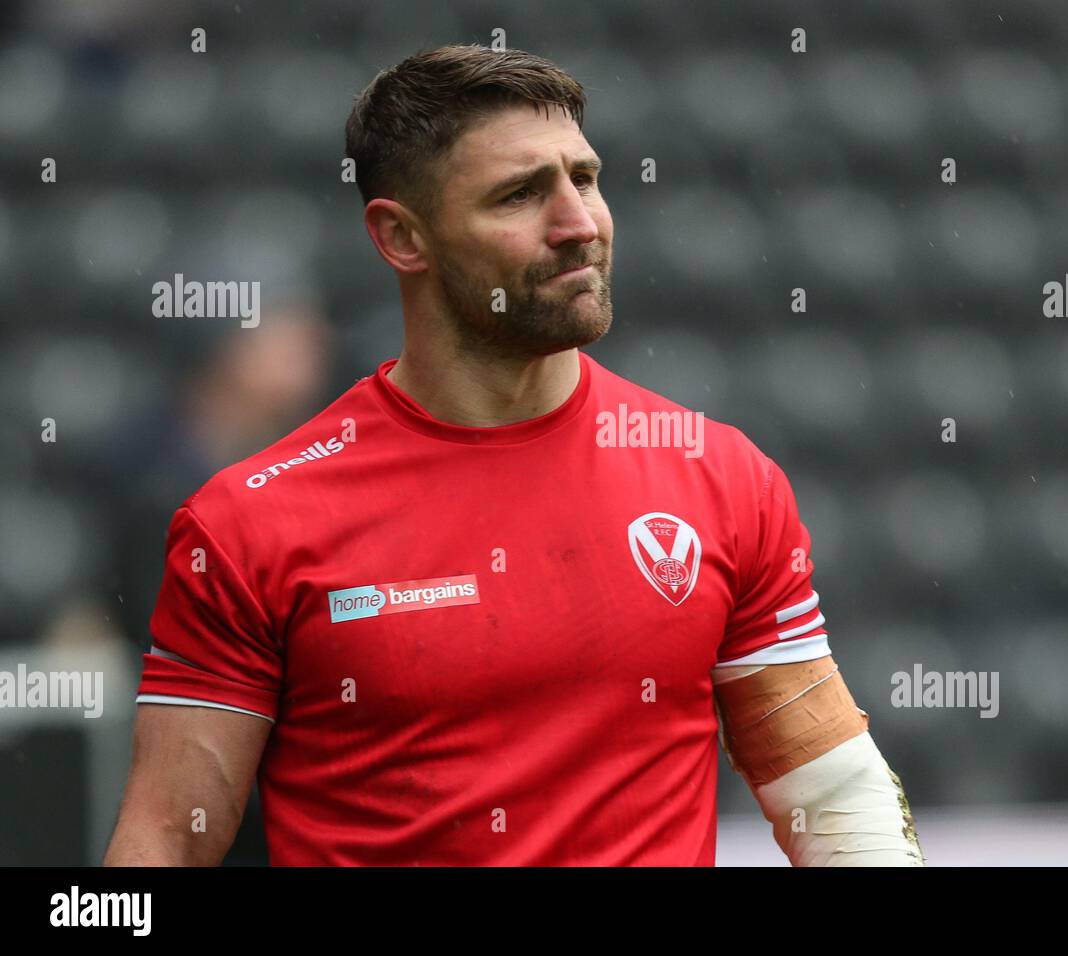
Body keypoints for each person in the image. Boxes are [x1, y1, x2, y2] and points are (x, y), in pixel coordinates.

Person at [103, 44, 923, 867]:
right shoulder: (249, 523)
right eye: (521, 195)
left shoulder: (721, 477)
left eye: (587, 179)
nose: (579, 225)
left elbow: (833, 799)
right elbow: (167, 844)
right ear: (400, 237)